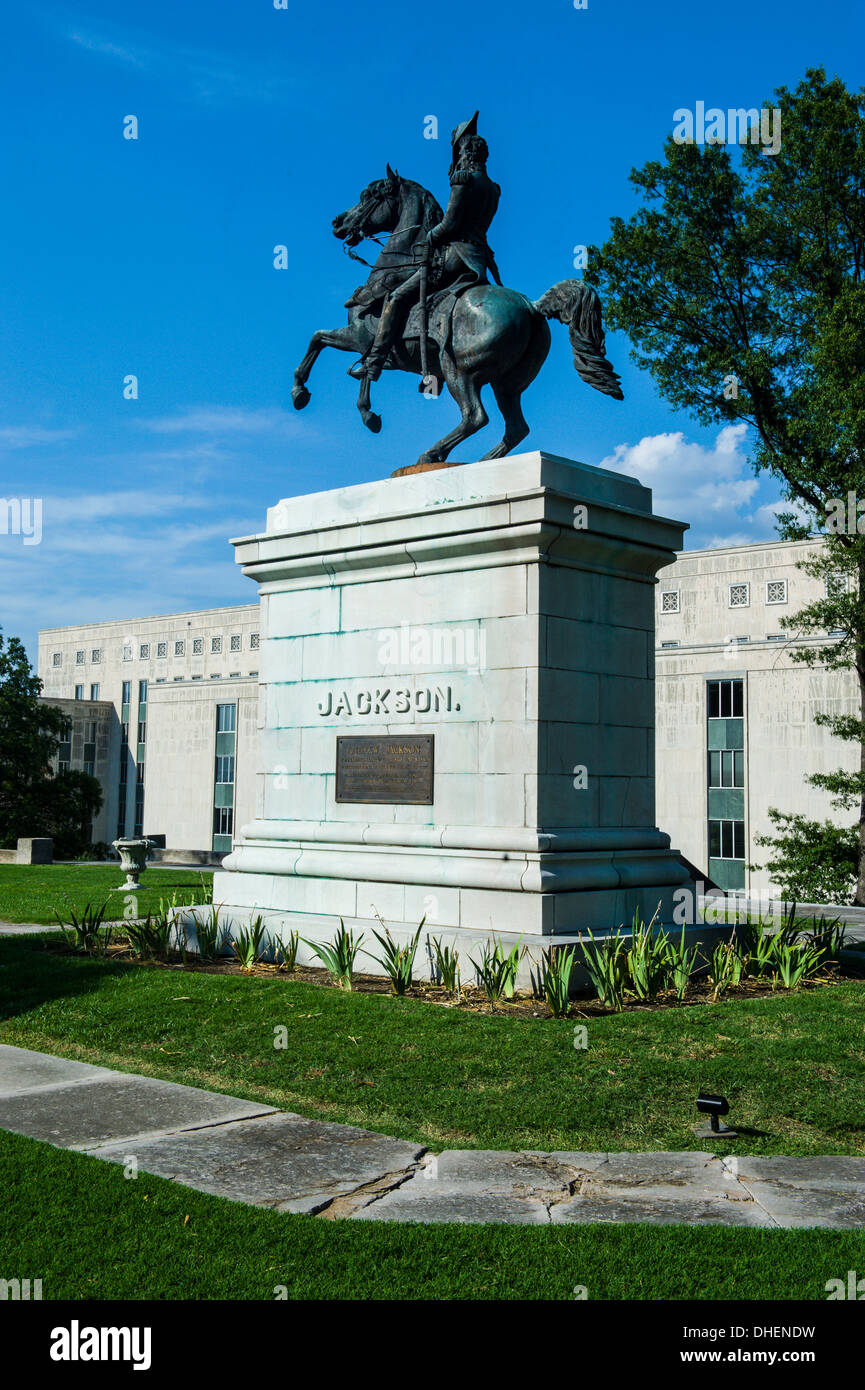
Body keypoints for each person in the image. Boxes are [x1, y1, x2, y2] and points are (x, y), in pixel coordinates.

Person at [363, 112, 502, 381]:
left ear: (463, 151)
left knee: (397, 297)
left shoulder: (463, 180)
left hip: (455, 256)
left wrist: (429, 238)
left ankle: (375, 362)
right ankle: (434, 372)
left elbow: (449, 225)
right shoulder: (494, 188)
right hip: (479, 258)